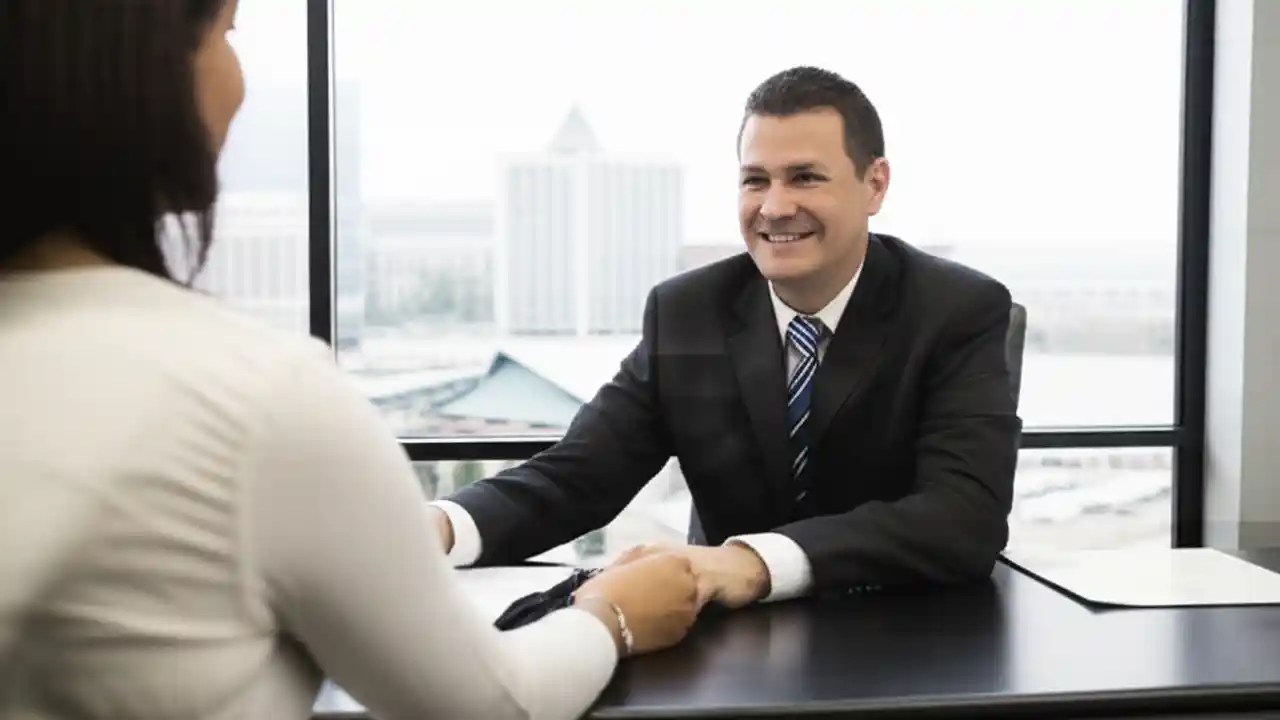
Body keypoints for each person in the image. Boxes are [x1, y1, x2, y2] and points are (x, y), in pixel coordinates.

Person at [0, 2, 699, 719]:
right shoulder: (256, 393)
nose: (238, 73)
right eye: (229, 31)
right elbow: (494, 703)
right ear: (136, 67)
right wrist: (610, 616)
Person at [430, 66, 1021, 609]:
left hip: (911, 641)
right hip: (729, 650)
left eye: (806, 178)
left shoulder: (957, 310)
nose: (775, 206)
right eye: (754, 180)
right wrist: (437, 529)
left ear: (875, 185)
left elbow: (962, 519)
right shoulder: (689, 311)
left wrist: (752, 562)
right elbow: (578, 477)